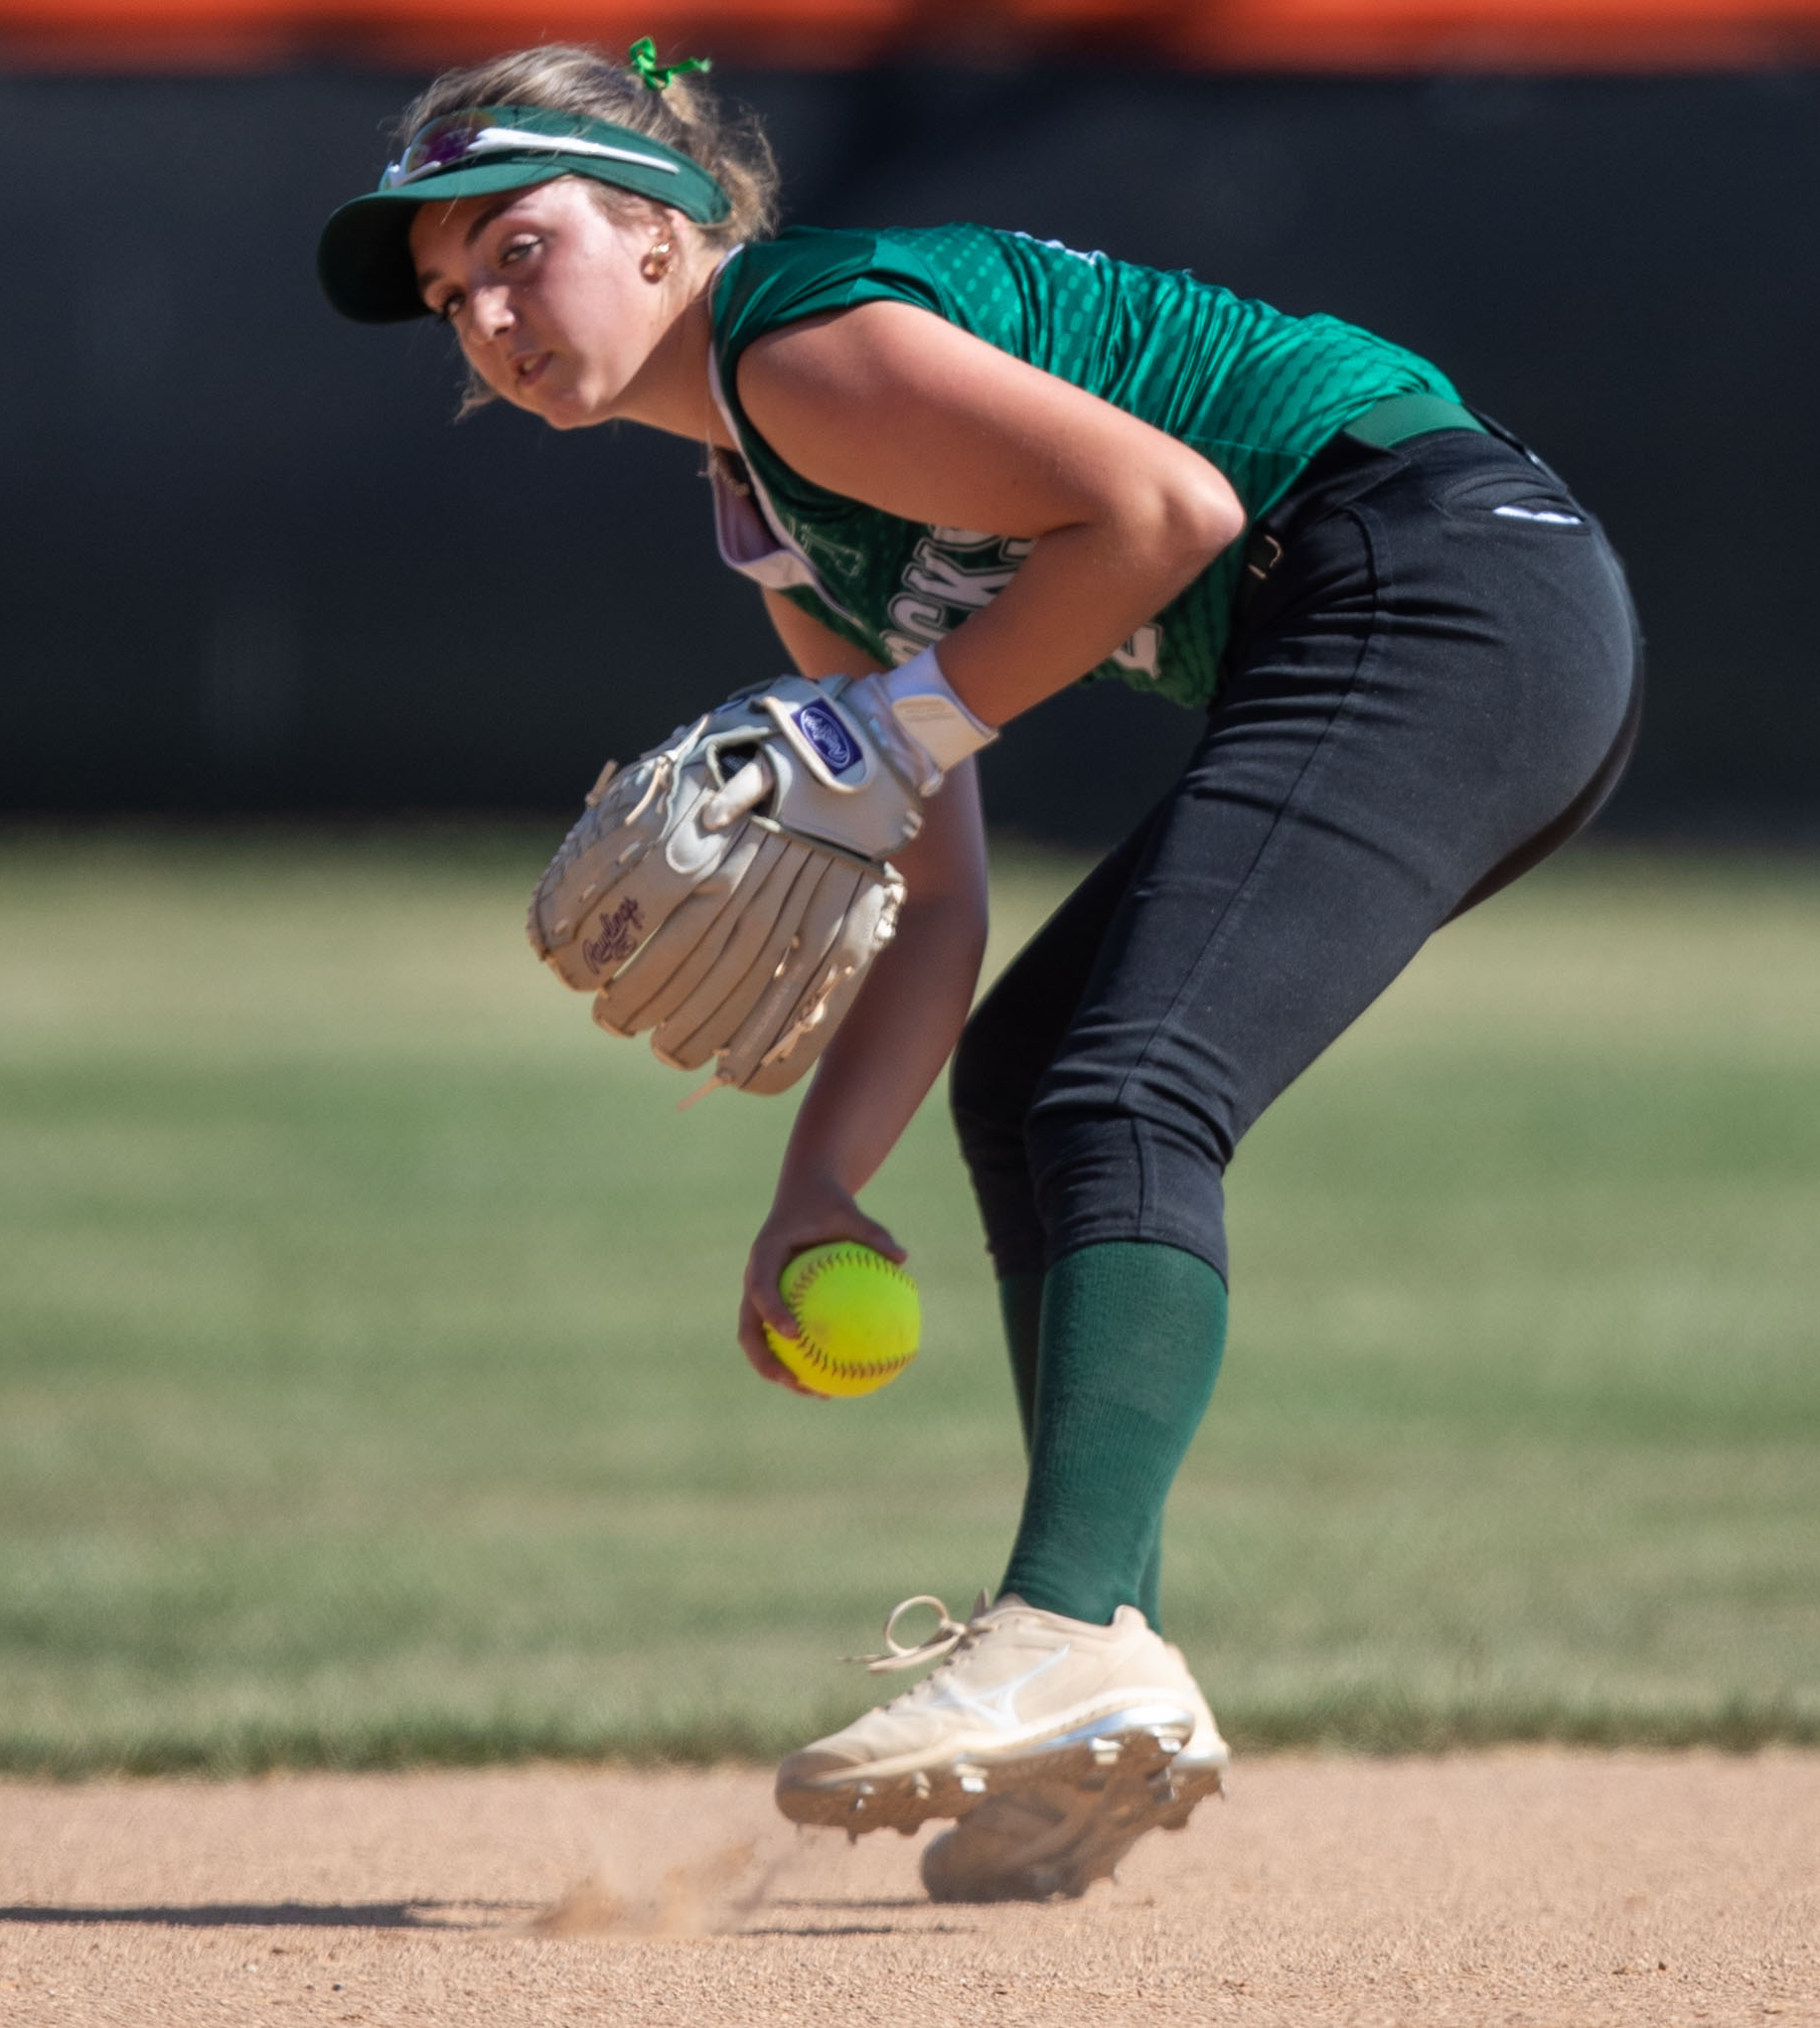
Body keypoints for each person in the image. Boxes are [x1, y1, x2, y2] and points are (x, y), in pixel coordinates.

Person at [318, 42, 1641, 1901]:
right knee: (1031, 1070)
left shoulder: (798, 346)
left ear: (663, 229)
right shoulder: (775, 522)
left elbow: (1162, 514)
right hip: (1421, 619)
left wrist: (910, 717)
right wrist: (816, 1181)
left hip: (1441, 582)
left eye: (518, 248)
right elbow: (933, 903)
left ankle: (1068, 1628)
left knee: (1126, 1081)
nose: (488, 316)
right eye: (455, 296)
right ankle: (1106, 1685)